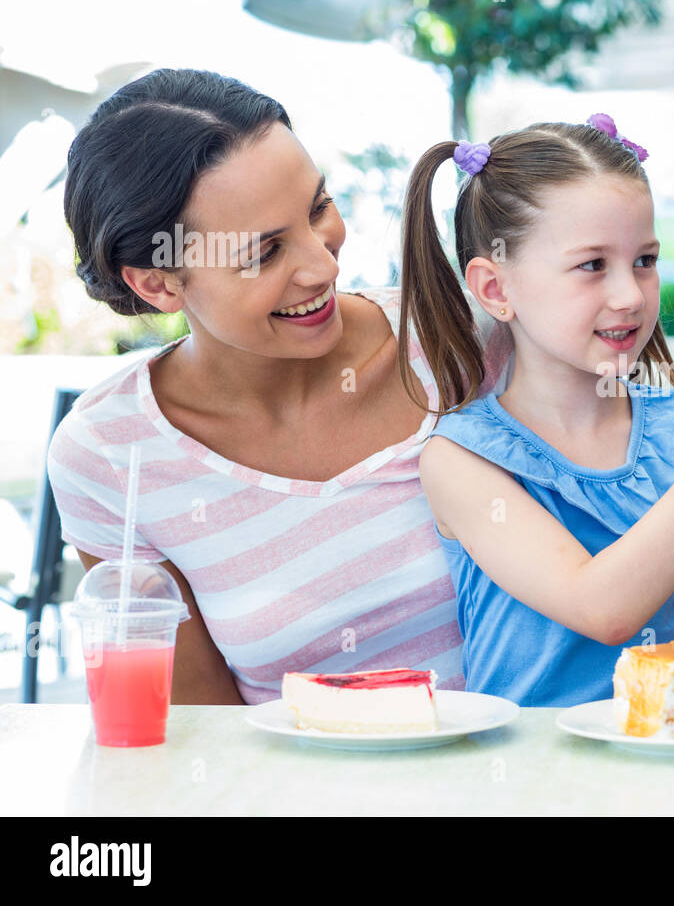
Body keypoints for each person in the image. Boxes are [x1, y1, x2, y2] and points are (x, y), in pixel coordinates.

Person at [47, 68, 513, 704]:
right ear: (158, 284)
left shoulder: (468, 341)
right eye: (262, 253)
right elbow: (194, 738)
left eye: (318, 208)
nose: (323, 265)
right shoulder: (109, 454)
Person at [404, 116, 674, 706]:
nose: (631, 296)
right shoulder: (461, 460)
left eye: (645, 260)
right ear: (495, 290)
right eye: (592, 266)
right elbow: (602, 609)